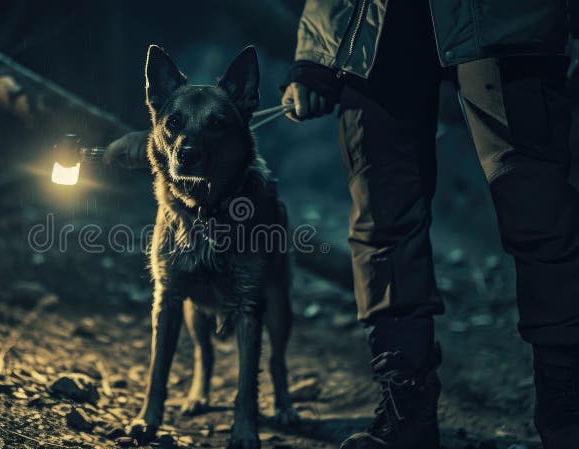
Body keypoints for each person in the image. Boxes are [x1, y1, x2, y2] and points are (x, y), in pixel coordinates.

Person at [105, 1, 579, 446]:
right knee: (383, 225)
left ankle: (566, 400)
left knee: (541, 212)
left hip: (507, 25)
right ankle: (405, 406)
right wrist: (316, 56)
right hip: (376, 40)